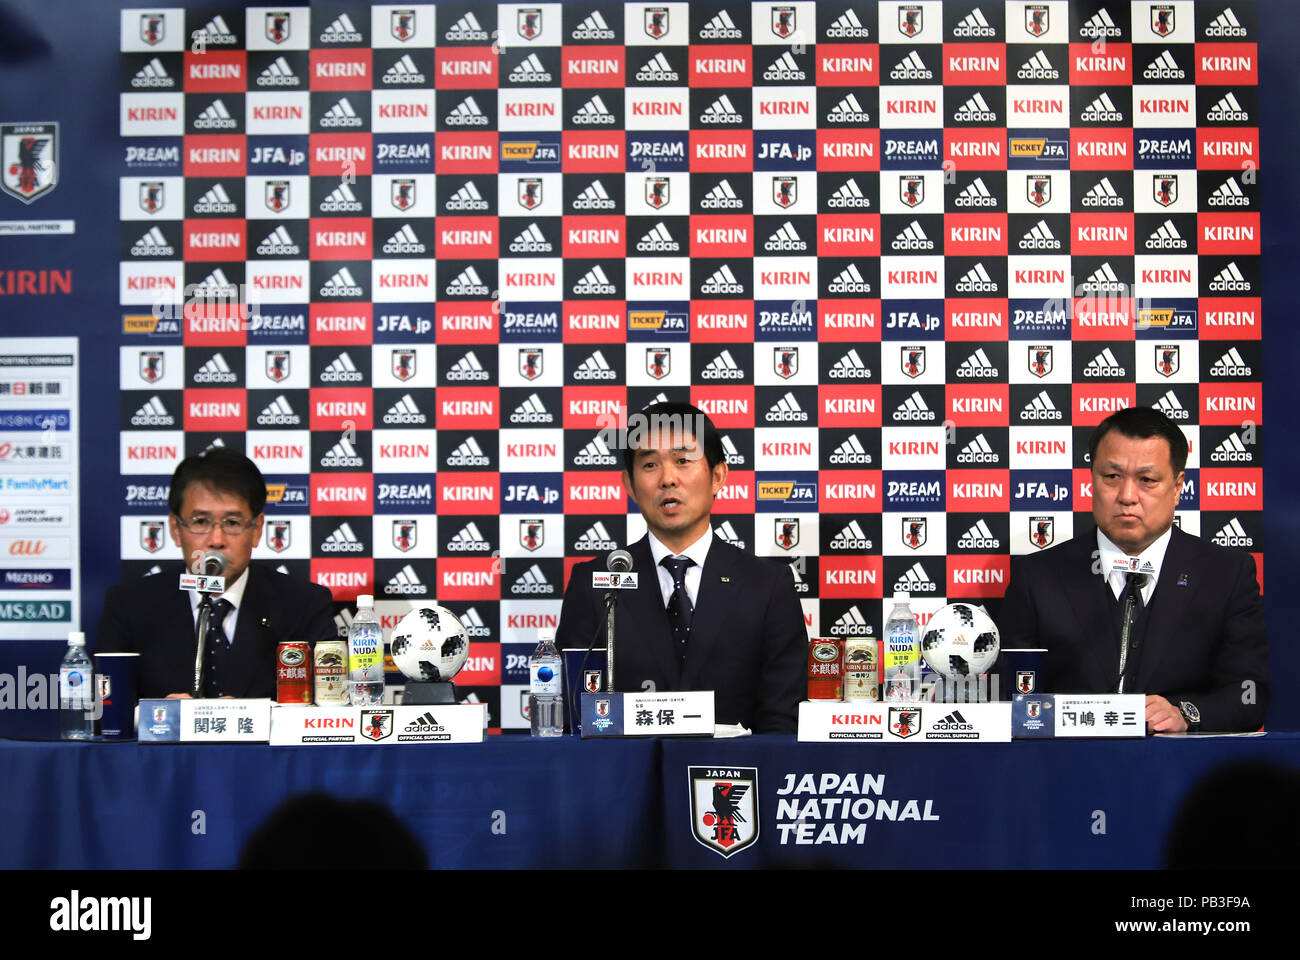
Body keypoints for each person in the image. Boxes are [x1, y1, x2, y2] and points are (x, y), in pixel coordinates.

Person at [996, 407, 1268, 732]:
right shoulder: (1037, 577)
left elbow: (1249, 694)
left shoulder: (1226, 573)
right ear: (1091, 479)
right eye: (1112, 477)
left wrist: (1185, 714)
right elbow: (1008, 699)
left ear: (1178, 485)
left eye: (1147, 480)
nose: (1127, 497)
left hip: (1181, 773)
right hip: (1066, 773)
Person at [555, 402, 807, 733]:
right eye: (649, 464)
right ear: (629, 484)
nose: (668, 479)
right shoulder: (595, 583)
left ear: (718, 476)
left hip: (733, 778)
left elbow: (783, 718)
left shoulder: (767, 585)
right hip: (625, 778)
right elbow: (572, 711)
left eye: (683, 461)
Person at [98, 448, 337, 699]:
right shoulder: (130, 605)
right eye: (200, 521)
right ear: (176, 530)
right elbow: (103, 708)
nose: (216, 540)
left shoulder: (303, 604)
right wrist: (154, 717)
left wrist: (255, 717)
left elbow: (325, 705)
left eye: (232, 523)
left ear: (256, 530)